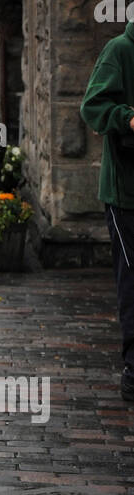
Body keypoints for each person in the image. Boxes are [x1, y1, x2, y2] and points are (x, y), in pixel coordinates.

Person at [81, 22, 134, 400]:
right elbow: (93, 105)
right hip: (126, 194)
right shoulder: (120, 50)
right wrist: (128, 118)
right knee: (133, 282)